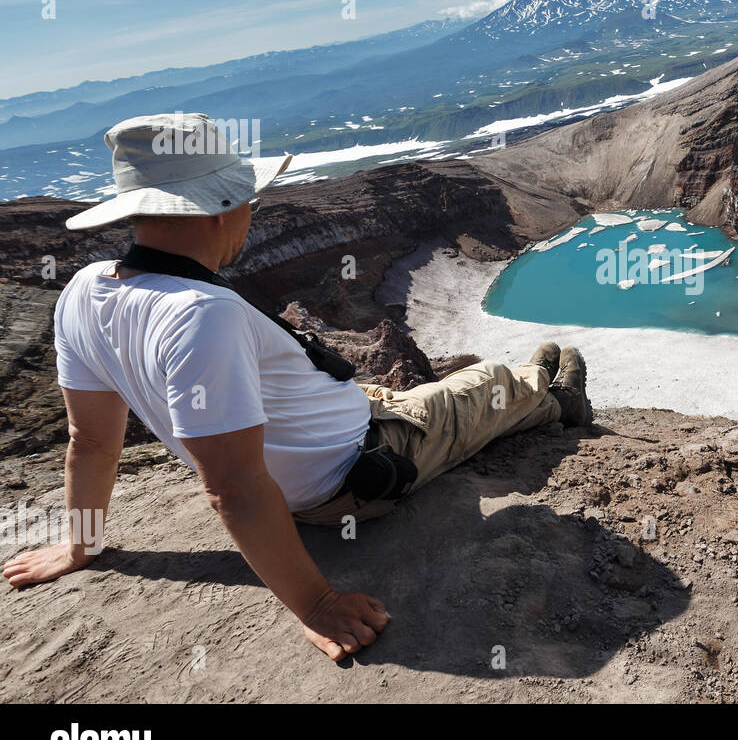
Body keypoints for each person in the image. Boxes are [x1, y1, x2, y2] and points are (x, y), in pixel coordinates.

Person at [1, 113, 592, 661]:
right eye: (248, 198)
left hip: (334, 435)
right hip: (359, 473)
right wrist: (316, 604)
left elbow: (91, 441)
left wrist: (81, 546)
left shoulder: (83, 290)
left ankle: (528, 381)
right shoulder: (203, 313)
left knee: (409, 391)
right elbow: (231, 488)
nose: (252, 212)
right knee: (486, 381)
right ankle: (552, 399)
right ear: (220, 207)